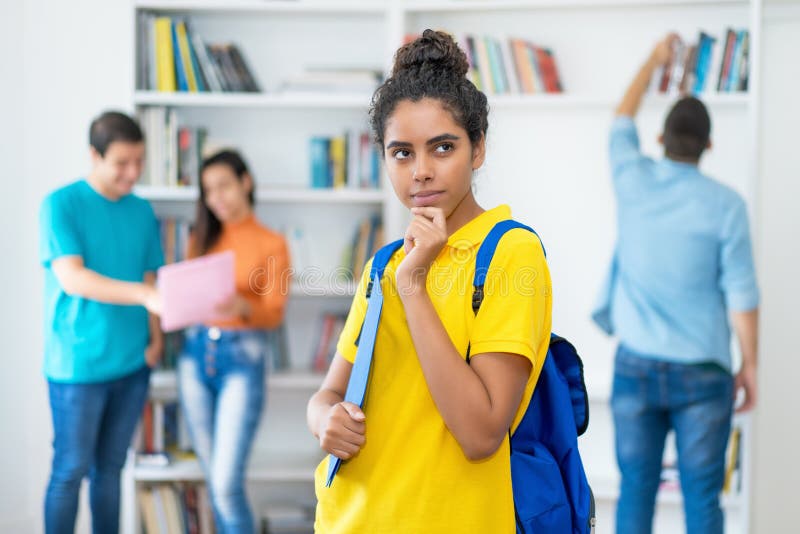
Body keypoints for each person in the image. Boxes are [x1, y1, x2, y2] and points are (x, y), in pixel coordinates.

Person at [306, 30, 552, 533]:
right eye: (401, 153)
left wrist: (414, 286)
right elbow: (329, 394)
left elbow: (481, 433)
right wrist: (322, 421)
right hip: (352, 519)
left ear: (478, 148)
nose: (420, 172)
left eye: (442, 147)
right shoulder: (384, 265)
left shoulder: (511, 253)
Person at [592, 34, 760, 534]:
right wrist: (749, 365)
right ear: (708, 146)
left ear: (661, 140)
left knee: (636, 492)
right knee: (703, 500)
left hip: (636, 367)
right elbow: (743, 298)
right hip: (704, 375)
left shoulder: (633, 178)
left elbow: (621, 120)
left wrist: (653, 59)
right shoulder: (728, 207)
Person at [39, 111, 164, 534]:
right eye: (122, 163)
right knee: (70, 469)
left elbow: (151, 277)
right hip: (78, 365)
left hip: (132, 362)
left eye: (139, 162)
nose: (132, 173)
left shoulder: (143, 212)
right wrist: (146, 297)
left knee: (110, 470)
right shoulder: (60, 204)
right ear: (95, 155)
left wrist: (155, 338)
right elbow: (72, 278)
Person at [178, 149, 290, 533]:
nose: (217, 198)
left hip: (242, 359)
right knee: (214, 483)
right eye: (208, 191)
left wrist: (242, 304)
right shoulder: (202, 238)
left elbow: (273, 314)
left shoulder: (271, 243)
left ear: (246, 182)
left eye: (224, 185)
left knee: (225, 485)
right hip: (194, 356)